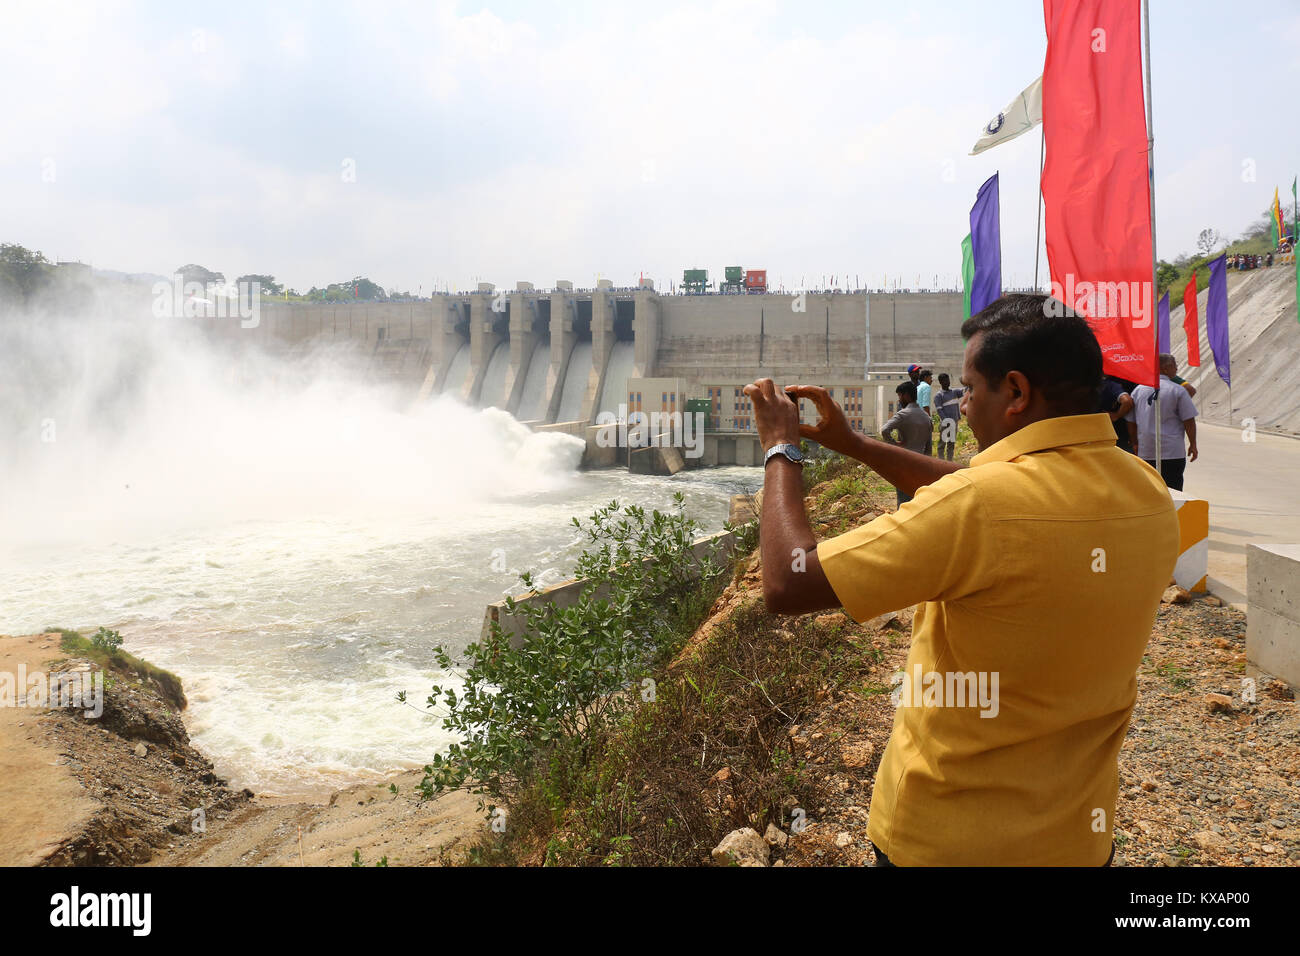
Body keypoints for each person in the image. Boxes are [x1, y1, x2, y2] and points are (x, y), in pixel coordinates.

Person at [742, 293, 1178, 866]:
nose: (964, 407)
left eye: (971, 390)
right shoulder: (1146, 491)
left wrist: (781, 447)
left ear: (1017, 393)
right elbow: (973, 482)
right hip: (1075, 839)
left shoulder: (979, 508)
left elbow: (787, 582)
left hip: (946, 841)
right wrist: (851, 444)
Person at [1125, 353, 1199, 491]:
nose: (1176, 369)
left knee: (1150, 490)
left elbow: (1131, 421)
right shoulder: (1178, 390)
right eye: (1175, 366)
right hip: (1172, 452)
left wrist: (1135, 443)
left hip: (1147, 451)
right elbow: (1188, 420)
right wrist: (1193, 444)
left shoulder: (1138, 390)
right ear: (1167, 367)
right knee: (1173, 490)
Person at [879, 381, 932, 506]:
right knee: (918, 501)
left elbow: (884, 430)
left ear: (906, 395)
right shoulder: (926, 417)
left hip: (904, 463)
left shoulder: (903, 414)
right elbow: (928, 446)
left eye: (900, 396)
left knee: (903, 502)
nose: (899, 400)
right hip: (922, 464)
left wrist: (895, 445)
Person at [1097, 374, 1136, 454]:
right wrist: (1117, 415)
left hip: (1091, 436)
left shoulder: (1083, 386)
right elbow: (1127, 401)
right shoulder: (1110, 385)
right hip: (1114, 433)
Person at [932, 372, 963, 460]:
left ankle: (949, 462)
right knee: (942, 443)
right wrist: (946, 421)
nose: (947, 382)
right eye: (945, 380)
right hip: (946, 424)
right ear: (941, 382)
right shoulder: (939, 396)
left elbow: (967, 390)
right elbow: (939, 410)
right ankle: (941, 461)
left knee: (951, 443)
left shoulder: (954, 392)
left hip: (954, 422)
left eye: (948, 380)